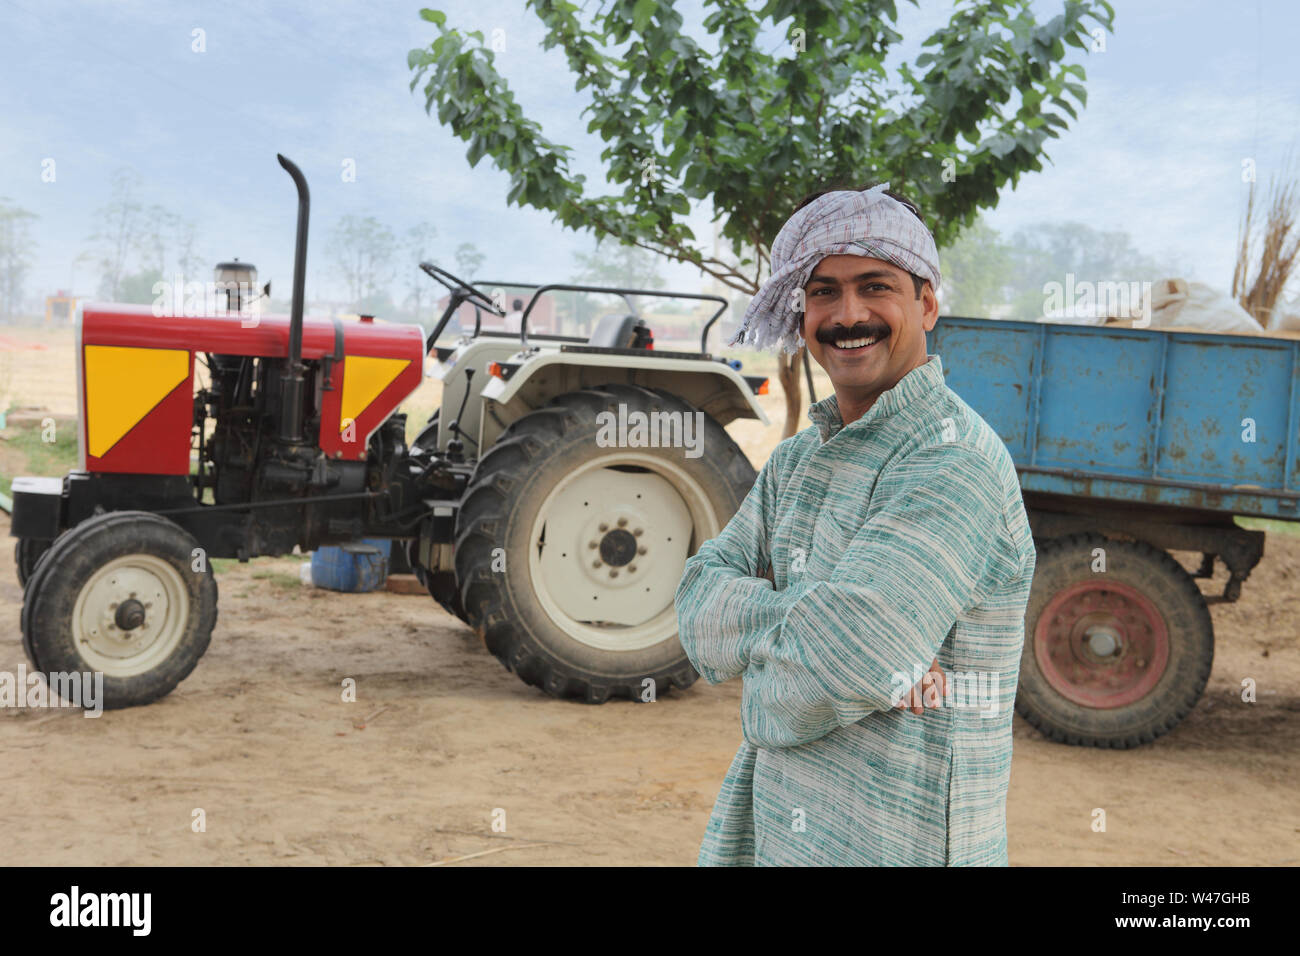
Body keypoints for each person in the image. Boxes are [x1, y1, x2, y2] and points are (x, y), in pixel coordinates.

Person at [674, 182, 1036, 866]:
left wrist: (798, 660)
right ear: (801, 311)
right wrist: (821, 633)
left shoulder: (952, 459)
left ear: (927, 302)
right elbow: (696, 602)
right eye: (823, 292)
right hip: (779, 831)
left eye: (876, 286)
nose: (848, 314)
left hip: (902, 840)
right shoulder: (796, 462)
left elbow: (837, 667)